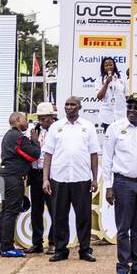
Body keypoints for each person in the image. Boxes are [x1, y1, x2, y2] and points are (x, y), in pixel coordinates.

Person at [102, 95, 137, 274]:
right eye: (129, 106)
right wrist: (109, 187)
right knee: (123, 227)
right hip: (123, 182)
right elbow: (107, 159)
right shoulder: (116, 128)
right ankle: (123, 267)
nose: (132, 110)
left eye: (136, 107)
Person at [42, 96, 100, 263]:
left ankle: (85, 250)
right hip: (59, 178)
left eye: (73, 104)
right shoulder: (56, 127)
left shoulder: (88, 127)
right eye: (67, 104)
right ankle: (60, 250)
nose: (69, 107)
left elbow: (93, 153)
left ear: (79, 107)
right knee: (59, 216)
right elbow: (48, 154)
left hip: (82, 178)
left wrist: (94, 178)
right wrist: (45, 179)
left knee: (84, 217)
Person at [0, 111, 39, 257]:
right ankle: (7, 247)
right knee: (11, 211)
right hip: (12, 178)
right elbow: (34, 155)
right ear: (17, 120)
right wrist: (35, 140)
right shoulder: (18, 137)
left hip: (4, 176)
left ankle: (5, 245)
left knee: (5, 211)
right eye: (25, 120)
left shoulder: (8, 135)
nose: (27, 123)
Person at [25, 103, 55, 254]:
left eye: (44, 119)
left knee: (54, 209)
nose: (41, 122)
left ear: (52, 117)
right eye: (39, 118)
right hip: (35, 173)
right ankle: (37, 243)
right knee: (36, 210)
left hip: (51, 174)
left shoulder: (57, 131)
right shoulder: (34, 130)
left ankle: (54, 242)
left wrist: (36, 143)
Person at [96, 56, 128, 133]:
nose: (108, 67)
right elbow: (99, 97)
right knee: (108, 139)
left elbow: (127, 95)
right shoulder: (99, 79)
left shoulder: (122, 77)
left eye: (110, 65)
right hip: (107, 115)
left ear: (114, 65)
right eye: (106, 65)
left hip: (121, 113)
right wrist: (106, 83)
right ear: (103, 68)